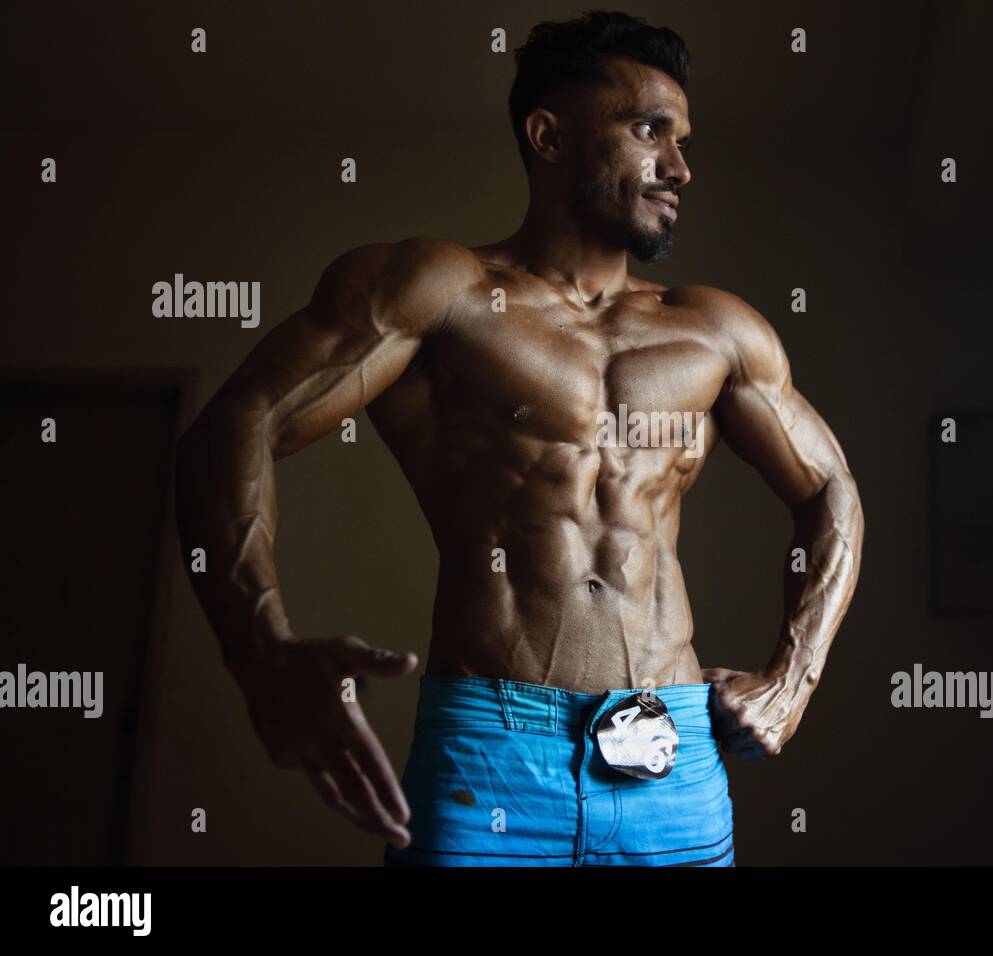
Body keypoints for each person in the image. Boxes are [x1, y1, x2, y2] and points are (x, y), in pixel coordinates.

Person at [174, 10, 863, 867]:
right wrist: (260, 654)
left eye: (682, 140)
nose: (678, 166)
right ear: (547, 135)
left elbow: (831, 487)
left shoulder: (716, 331)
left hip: (672, 759)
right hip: (491, 757)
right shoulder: (440, 290)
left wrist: (794, 680)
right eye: (649, 130)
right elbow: (234, 427)